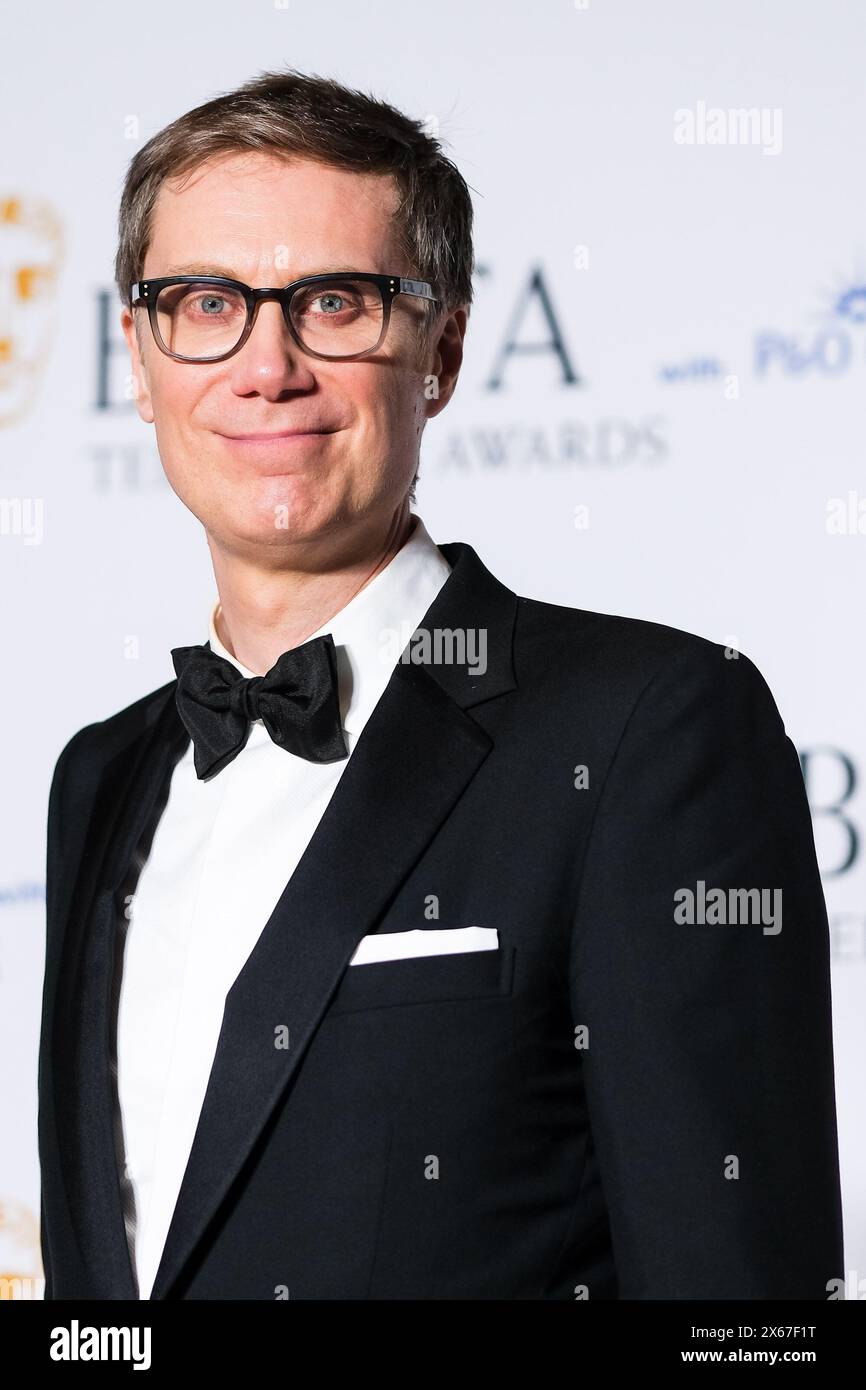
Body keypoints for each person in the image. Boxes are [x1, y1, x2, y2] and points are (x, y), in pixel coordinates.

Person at [38, 68, 844, 1301]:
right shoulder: (100, 774)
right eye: (205, 304)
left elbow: (738, 1307)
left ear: (444, 347)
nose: (267, 366)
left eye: (334, 303)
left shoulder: (650, 726)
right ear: (139, 358)